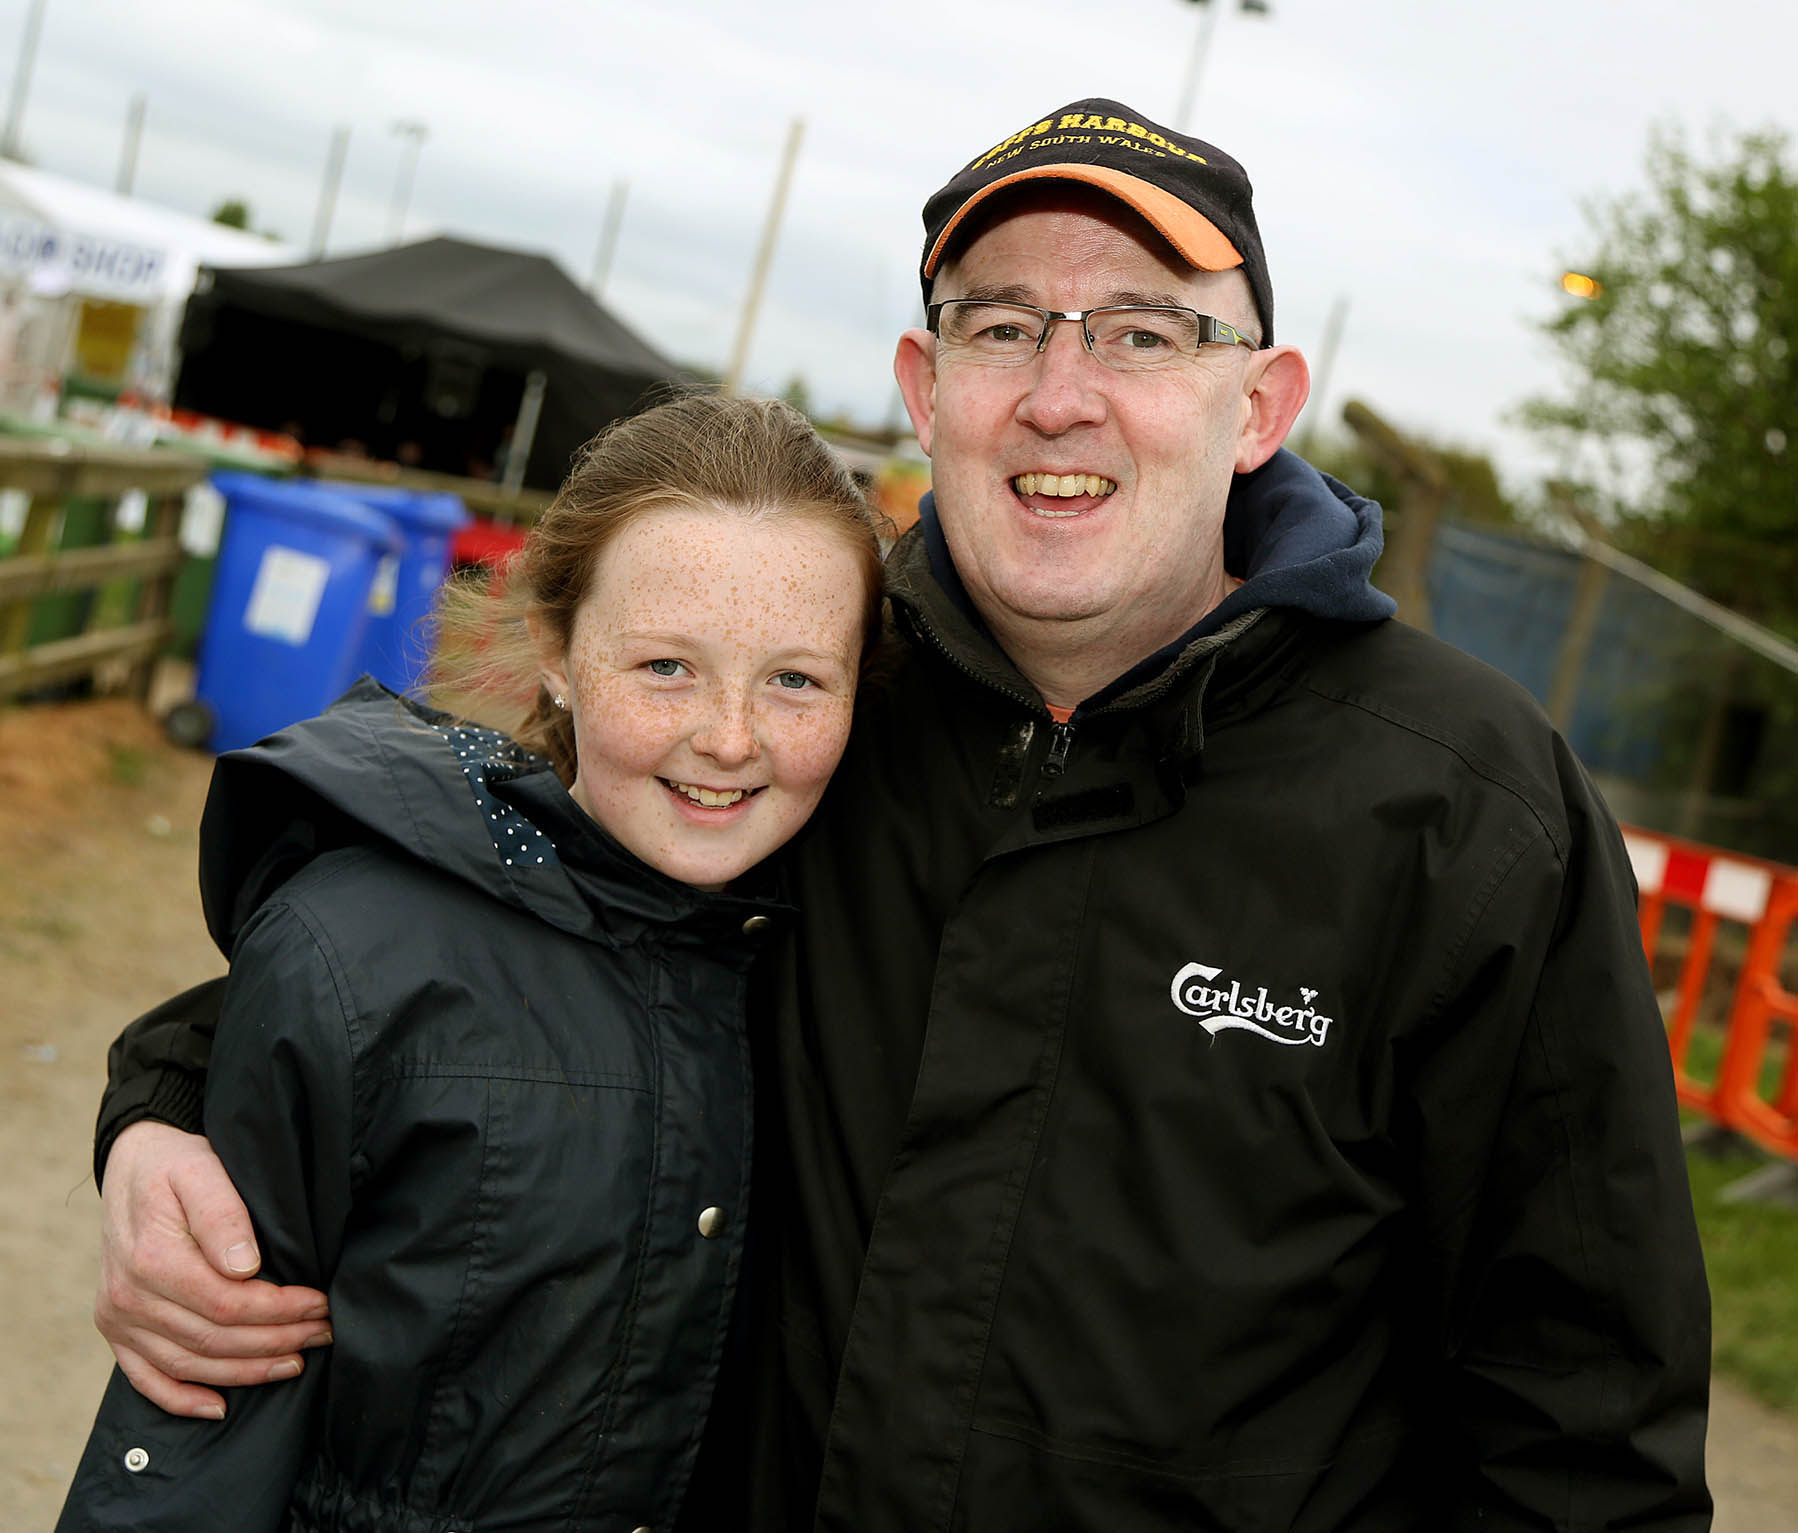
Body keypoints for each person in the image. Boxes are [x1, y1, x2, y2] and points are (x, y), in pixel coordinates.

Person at [86, 99, 1712, 1530]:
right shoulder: (811, 703)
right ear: (925, 389)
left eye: (1142, 334)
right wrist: (168, 1102)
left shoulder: (1459, 808)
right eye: (1003, 327)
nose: (1060, 394)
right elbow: (500, 934)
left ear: (1261, 403)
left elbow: (1584, 1416)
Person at [59, 391, 887, 1532]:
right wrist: (153, 1111)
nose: (730, 737)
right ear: (555, 650)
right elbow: (195, 1444)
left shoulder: (844, 948)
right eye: (664, 666)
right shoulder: (352, 948)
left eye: (796, 679)